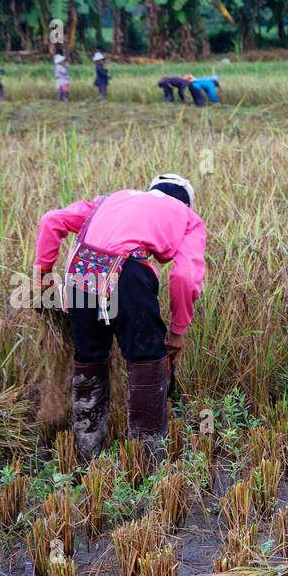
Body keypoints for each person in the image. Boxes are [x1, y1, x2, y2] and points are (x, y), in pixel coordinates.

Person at [32, 174, 207, 462]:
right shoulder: (188, 217)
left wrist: (42, 278)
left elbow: (52, 220)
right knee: (146, 358)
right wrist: (177, 331)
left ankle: (87, 455)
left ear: (151, 190)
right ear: (185, 202)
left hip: (83, 272)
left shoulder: (108, 200)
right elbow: (186, 277)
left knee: (90, 356)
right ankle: (146, 459)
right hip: (128, 274)